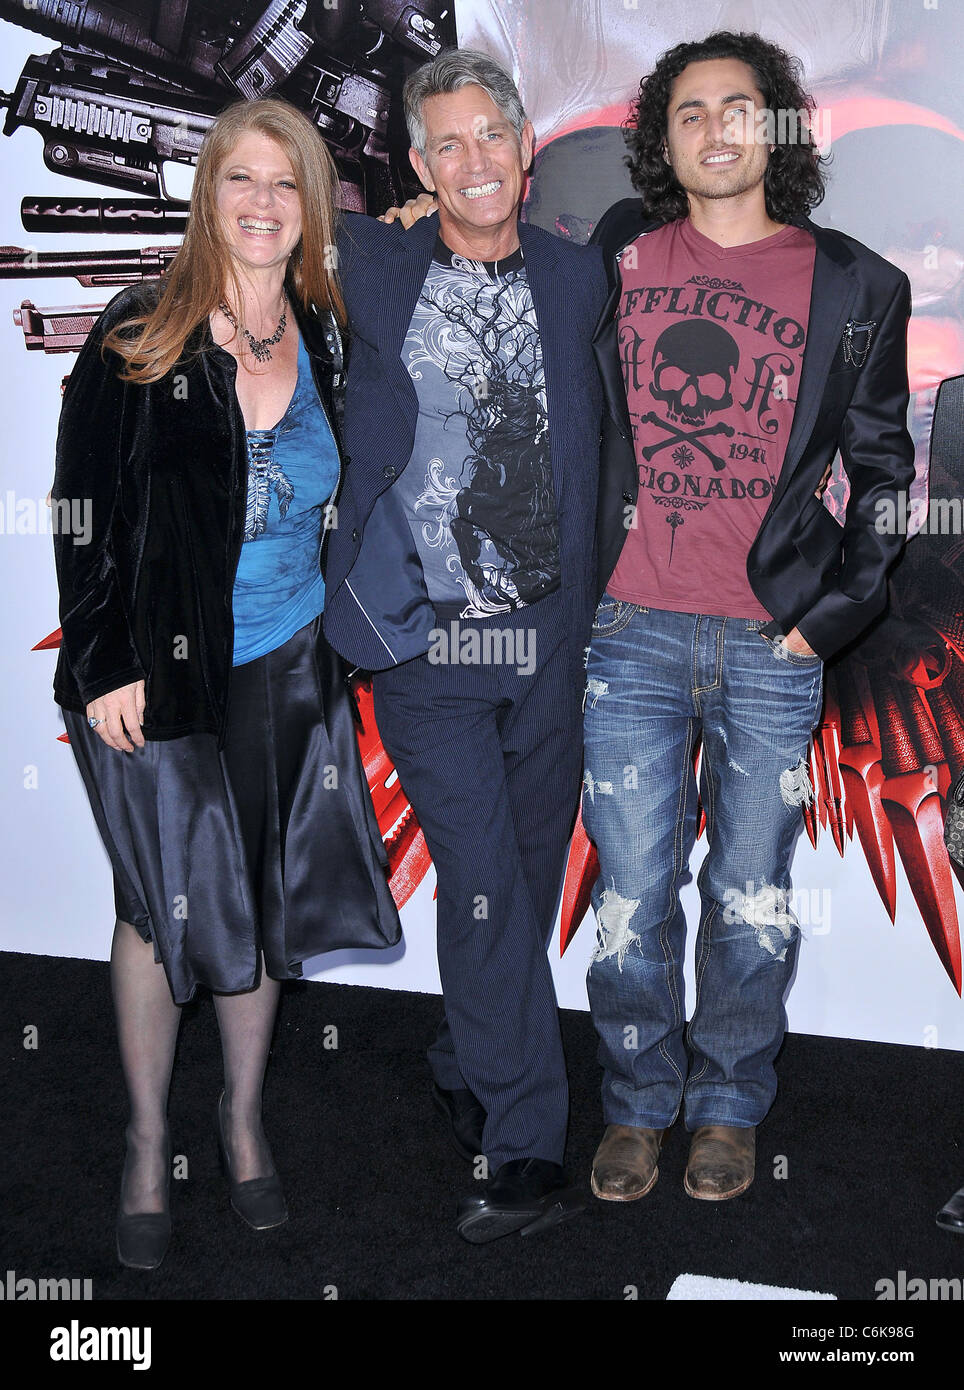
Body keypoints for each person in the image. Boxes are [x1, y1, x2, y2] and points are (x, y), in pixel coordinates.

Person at [51, 98, 401, 1271]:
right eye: (240, 179)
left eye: (285, 183)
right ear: (208, 192)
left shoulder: (322, 325)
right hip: (156, 676)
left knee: (260, 901)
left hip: (292, 662)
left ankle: (240, 1120)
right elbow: (80, 510)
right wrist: (101, 663)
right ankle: (149, 1141)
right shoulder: (142, 325)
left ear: (309, 205)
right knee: (160, 906)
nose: (261, 202)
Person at [585, 31, 915, 1203]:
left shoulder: (857, 282)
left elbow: (884, 475)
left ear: (779, 126)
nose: (715, 128)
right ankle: (634, 1100)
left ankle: (726, 1100)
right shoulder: (618, 255)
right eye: (688, 112)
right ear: (660, 141)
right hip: (626, 628)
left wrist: (825, 619)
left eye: (739, 106)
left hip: (772, 637)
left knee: (751, 890)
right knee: (630, 892)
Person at [322, 48, 608, 1242]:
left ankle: (464, 1047)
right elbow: (255, 213)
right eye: (446, 142)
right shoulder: (372, 265)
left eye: (489, 133)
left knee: (526, 881)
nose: (473, 159)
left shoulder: (577, 274)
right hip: (427, 648)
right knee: (485, 884)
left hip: (548, 634)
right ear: (419, 163)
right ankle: (524, 1143)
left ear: (525, 140)